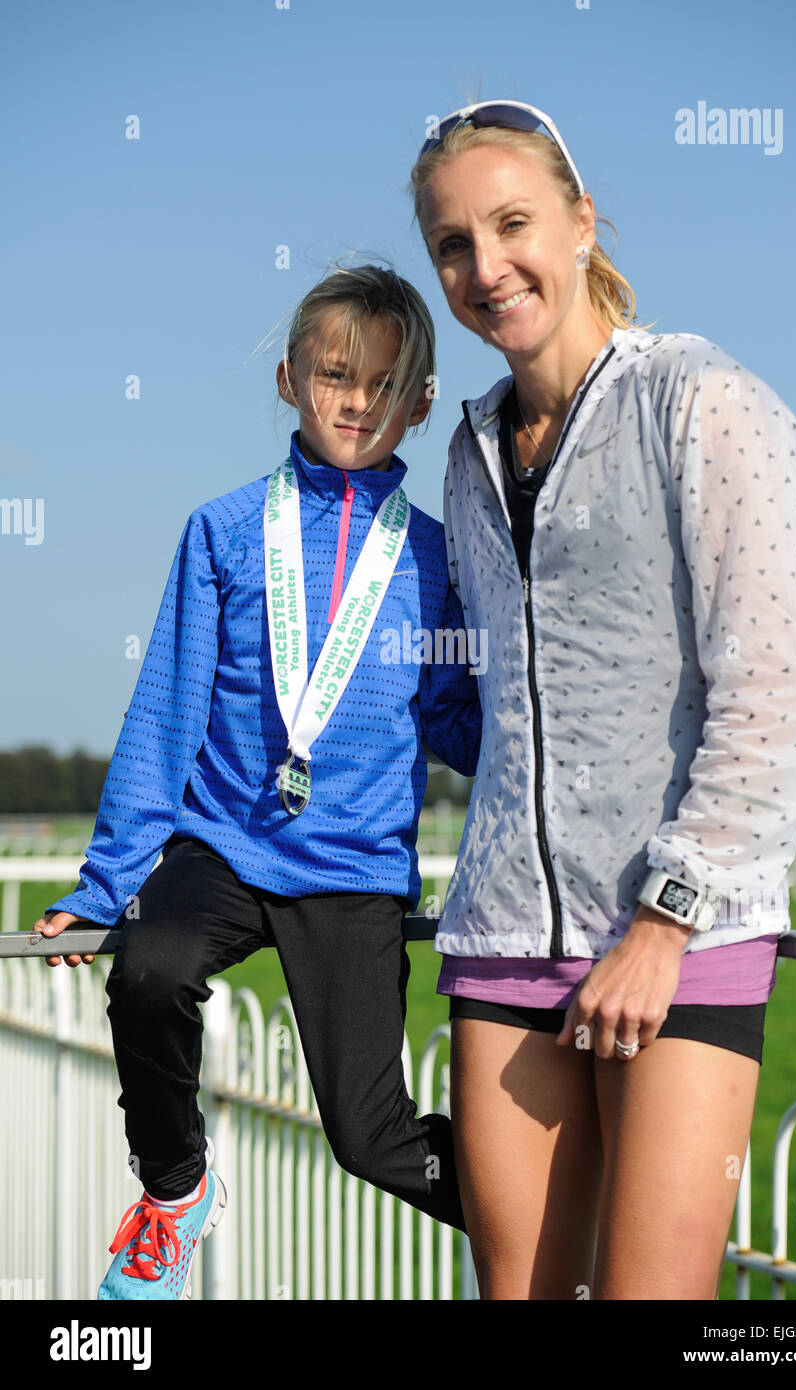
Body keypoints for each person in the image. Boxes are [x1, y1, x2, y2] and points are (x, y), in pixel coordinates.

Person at [408, 100, 796, 1300]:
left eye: (511, 224)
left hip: (675, 944)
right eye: (452, 243)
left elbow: (779, 692)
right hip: (502, 940)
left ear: (581, 221)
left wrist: (664, 919)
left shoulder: (700, 401)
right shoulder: (471, 445)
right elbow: (484, 702)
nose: (485, 267)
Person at [34, 264, 481, 1300]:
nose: (357, 401)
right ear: (288, 379)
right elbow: (164, 716)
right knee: (147, 968)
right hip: (225, 846)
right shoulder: (223, 531)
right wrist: (105, 884)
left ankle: (546, 1205)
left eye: (384, 382)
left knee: (373, 1141)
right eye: (334, 374)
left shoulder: (435, 559)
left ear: (419, 401)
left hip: (354, 868)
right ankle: (177, 1186)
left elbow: (458, 722)